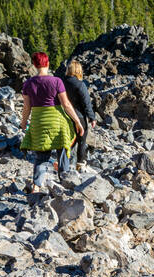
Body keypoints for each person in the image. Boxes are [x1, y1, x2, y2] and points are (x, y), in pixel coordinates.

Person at [20, 51, 84, 193]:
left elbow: (26, 107)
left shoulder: (28, 84)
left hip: (38, 123)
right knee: (62, 152)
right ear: (47, 63)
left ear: (34, 65)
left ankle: (36, 186)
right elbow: (66, 104)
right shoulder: (56, 81)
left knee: (41, 156)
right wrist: (77, 121)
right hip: (57, 123)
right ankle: (65, 183)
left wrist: (23, 122)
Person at [61, 59, 97, 169]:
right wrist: (92, 117)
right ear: (78, 71)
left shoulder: (61, 82)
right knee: (81, 139)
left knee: (68, 138)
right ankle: (80, 163)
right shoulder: (80, 84)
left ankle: (63, 159)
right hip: (79, 116)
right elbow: (86, 102)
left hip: (64, 114)